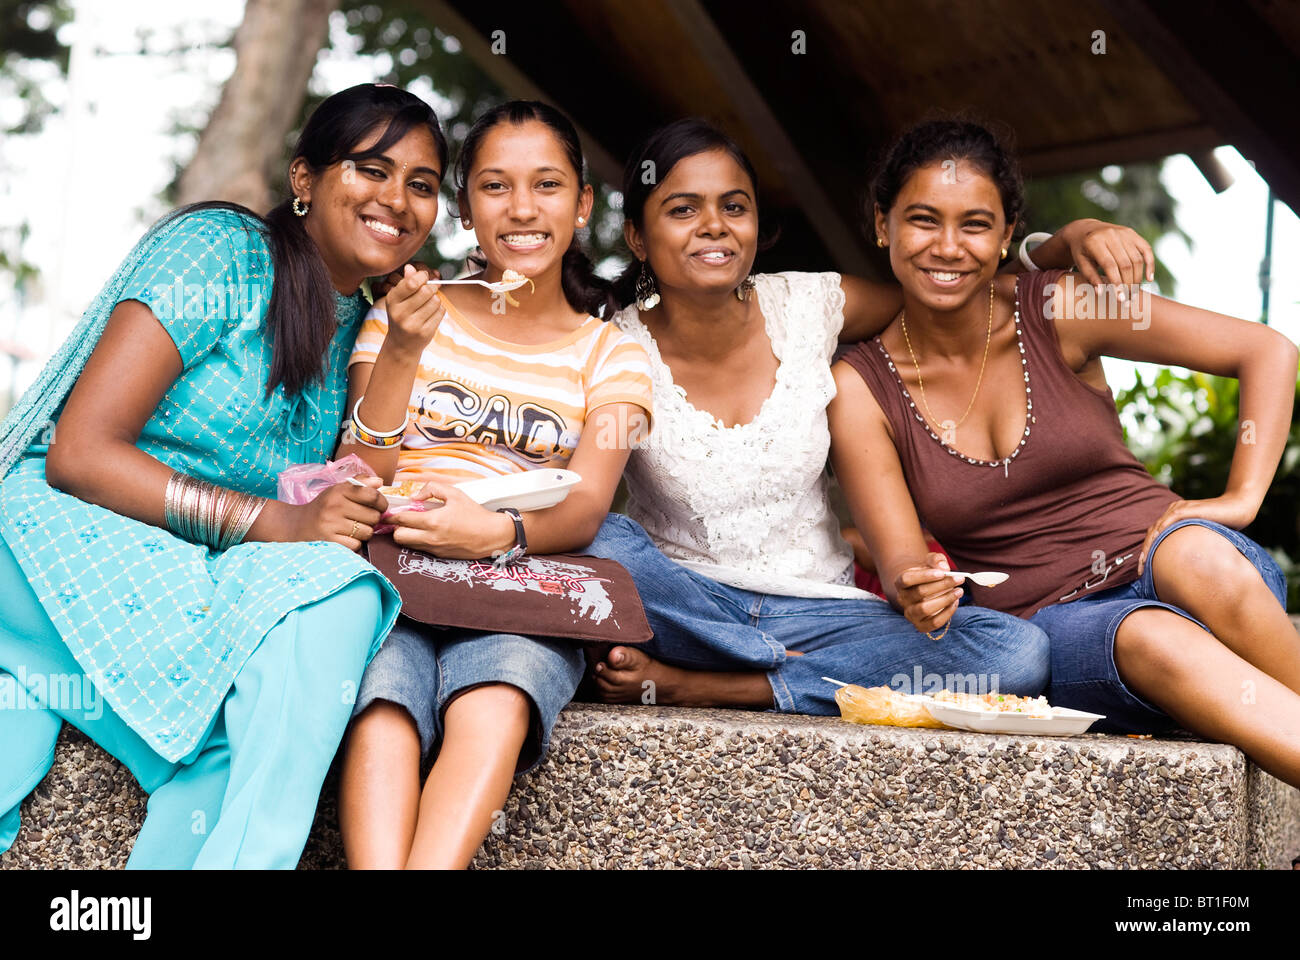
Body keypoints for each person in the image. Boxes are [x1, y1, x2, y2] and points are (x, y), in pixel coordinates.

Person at [0, 83, 447, 867]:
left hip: (176, 564)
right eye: (372, 169)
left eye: (422, 184)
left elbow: (356, 492)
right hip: (50, 530)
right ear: (304, 179)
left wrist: (404, 351)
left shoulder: (365, 320)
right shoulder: (221, 252)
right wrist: (275, 523)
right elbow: (81, 453)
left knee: (234, 736)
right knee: (223, 724)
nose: (398, 200)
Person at [576, 118, 1152, 713]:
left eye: (734, 205)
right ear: (638, 237)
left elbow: (950, 290)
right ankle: (800, 674)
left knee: (1017, 652)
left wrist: (1056, 245)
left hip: (824, 615)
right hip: (687, 607)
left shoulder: (811, 305)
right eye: (682, 210)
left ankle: (735, 683)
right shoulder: (610, 349)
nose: (714, 226)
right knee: (598, 535)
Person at [830, 119, 1300, 787]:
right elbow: (904, 559)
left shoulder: (1058, 308)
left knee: (1196, 556)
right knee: (1147, 636)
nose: (947, 246)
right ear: (883, 225)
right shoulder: (860, 388)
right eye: (923, 220)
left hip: (1187, 563)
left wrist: (1240, 499)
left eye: (974, 225)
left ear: (1005, 236)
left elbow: (1268, 351)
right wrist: (920, 590)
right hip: (1057, 623)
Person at [337, 100, 653, 870]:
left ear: (583, 204)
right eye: (495, 187)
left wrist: (496, 535)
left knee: (500, 696)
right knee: (381, 703)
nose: (521, 209)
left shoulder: (612, 354)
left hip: (517, 585)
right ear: (466, 207)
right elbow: (357, 472)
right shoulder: (405, 312)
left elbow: (585, 504)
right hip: (392, 571)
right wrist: (405, 351)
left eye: (547, 186)